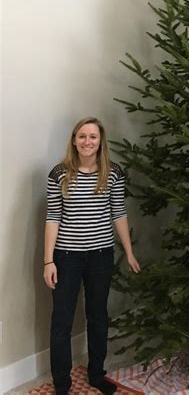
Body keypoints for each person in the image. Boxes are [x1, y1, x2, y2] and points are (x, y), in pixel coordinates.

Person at [43, 117, 140, 395]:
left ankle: (97, 374)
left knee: (98, 317)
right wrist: (48, 261)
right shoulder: (59, 174)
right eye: (82, 136)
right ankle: (62, 384)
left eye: (93, 137)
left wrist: (129, 252)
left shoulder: (113, 173)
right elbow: (53, 218)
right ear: (74, 140)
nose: (87, 141)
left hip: (100, 256)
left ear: (100, 141)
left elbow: (118, 213)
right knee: (61, 321)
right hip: (66, 257)